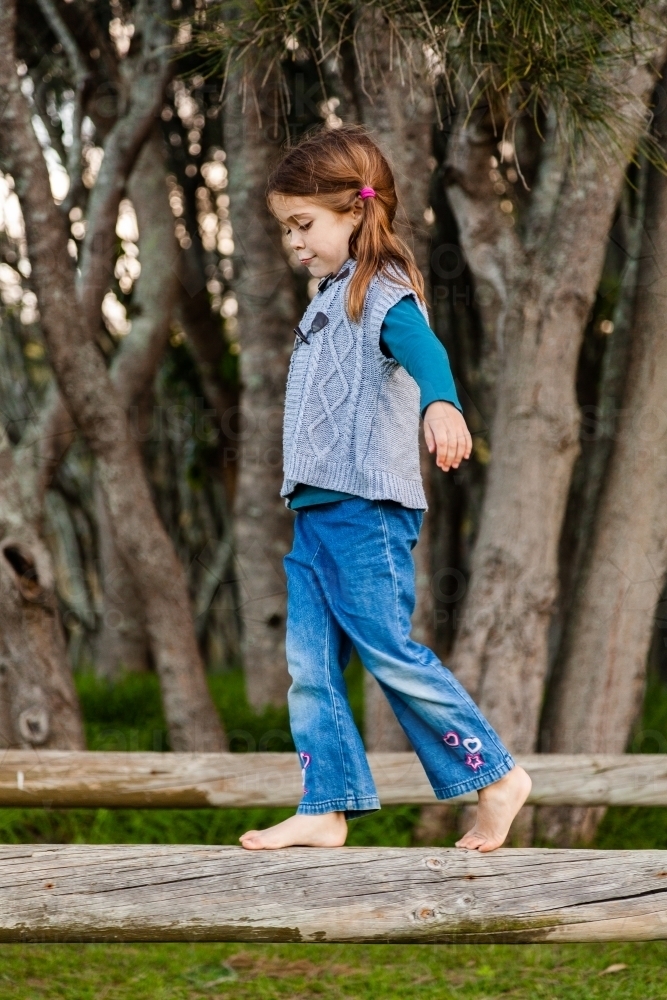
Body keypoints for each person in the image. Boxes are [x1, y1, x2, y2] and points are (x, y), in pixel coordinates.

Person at [240, 125, 531, 853]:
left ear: (353, 211)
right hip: (315, 516)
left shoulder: (382, 290)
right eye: (286, 229)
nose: (294, 242)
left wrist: (442, 403)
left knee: (388, 652)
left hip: (364, 511)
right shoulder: (325, 298)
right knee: (307, 668)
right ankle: (325, 804)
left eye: (303, 224)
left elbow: (425, 353)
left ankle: (494, 775)